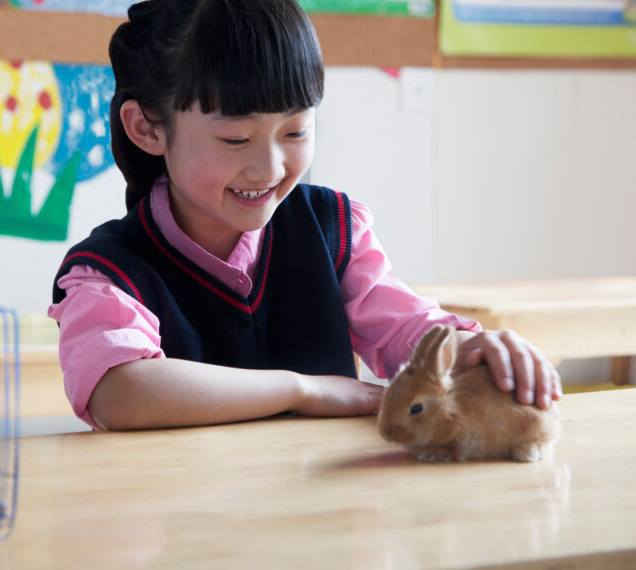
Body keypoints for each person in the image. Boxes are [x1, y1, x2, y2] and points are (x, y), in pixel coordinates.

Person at [48, 0, 561, 431]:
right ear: (147, 129)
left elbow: (407, 332)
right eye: (235, 139)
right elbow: (119, 391)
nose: (269, 167)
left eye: (295, 132)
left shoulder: (334, 228)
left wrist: (471, 348)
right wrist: (303, 390)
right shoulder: (107, 271)